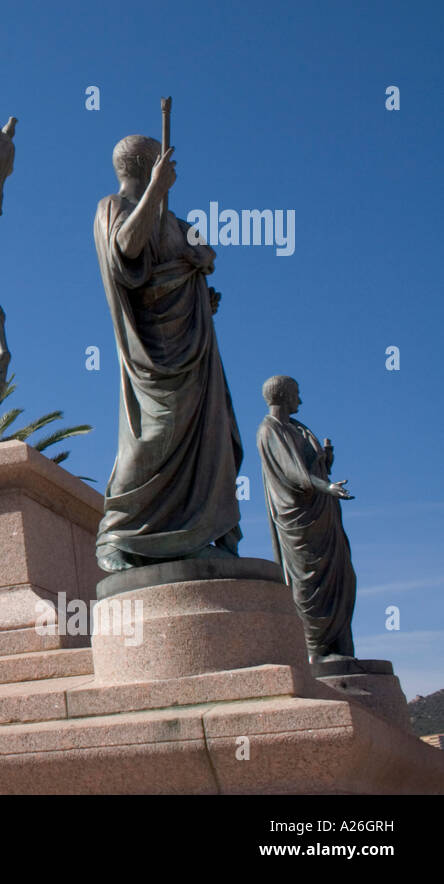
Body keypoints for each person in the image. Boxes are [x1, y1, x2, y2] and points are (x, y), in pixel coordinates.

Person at [93, 134, 243, 572]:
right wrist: (155, 191)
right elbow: (125, 251)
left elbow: (194, 260)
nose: (172, 172)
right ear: (144, 164)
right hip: (156, 354)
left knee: (209, 438)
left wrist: (199, 293)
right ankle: (117, 534)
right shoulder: (112, 207)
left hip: (195, 346)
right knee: (153, 438)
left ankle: (190, 533)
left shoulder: (176, 220)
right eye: (161, 163)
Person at [256, 375, 357, 661]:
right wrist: (328, 486)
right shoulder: (269, 429)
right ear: (284, 395)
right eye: (296, 394)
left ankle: (339, 646)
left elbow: (306, 469)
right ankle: (315, 650)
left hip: (323, 514)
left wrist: (324, 462)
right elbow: (293, 474)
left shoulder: (298, 429)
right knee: (308, 582)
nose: (300, 400)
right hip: (298, 520)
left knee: (342, 577)